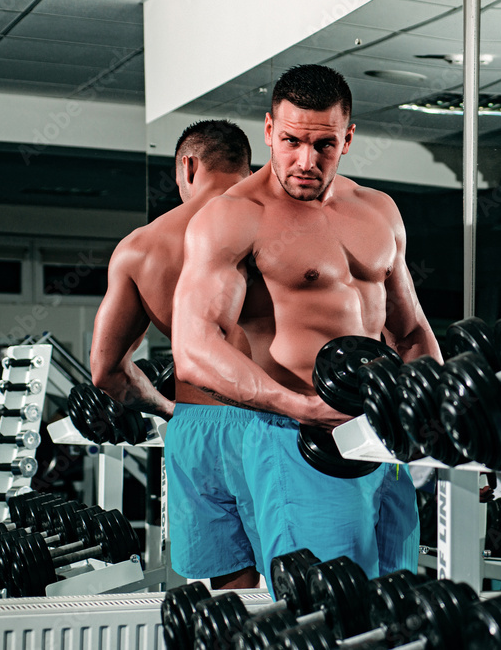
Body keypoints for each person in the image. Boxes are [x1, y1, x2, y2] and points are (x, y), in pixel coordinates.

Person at [170, 64, 440, 583]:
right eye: (291, 141)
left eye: (325, 146)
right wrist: (304, 409)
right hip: (299, 439)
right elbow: (194, 347)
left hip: (382, 439)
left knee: (398, 603)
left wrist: (429, 412)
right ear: (269, 130)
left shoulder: (379, 210)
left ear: (348, 138)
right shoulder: (234, 217)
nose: (305, 161)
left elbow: (410, 333)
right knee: (327, 613)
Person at [89, 119, 254, 587]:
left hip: (196, 426)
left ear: (188, 165)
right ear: (247, 167)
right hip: (272, 423)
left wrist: (168, 409)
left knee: (228, 593)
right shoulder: (270, 221)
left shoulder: (138, 249)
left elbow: (105, 372)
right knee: (298, 586)